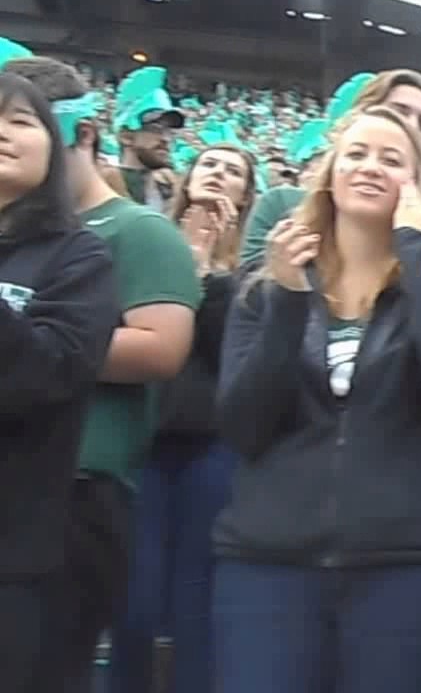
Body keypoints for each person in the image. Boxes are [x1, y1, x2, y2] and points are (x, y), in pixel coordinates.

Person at [213, 106, 421, 693]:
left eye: (393, 160)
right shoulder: (266, 291)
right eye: (357, 153)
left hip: (404, 568)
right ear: (331, 171)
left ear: (416, 186)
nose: (370, 167)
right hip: (267, 566)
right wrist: (288, 304)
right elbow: (243, 426)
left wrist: (418, 249)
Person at [5, 54, 203, 693]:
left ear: (74, 134)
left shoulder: (130, 232)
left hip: (74, 489)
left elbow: (160, 348)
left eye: (20, 119)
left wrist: (54, 332)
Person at [109, 142, 258, 693]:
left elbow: (231, 351)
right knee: (134, 601)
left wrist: (202, 271)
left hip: (212, 451)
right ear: (189, 177)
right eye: (211, 165)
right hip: (140, 444)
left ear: (246, 196)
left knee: (199, 602)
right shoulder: (143, 246)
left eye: (234, 171)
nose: (220, 175)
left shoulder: (256, 272)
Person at [0, 69, 118, 693]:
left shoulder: (78, 258)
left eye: (21, 120)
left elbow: (50, 372)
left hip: (17, 550)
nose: (2, 132)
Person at [238, 69, 421, 278]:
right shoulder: (281, 205)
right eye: (399, 111)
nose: (412, 126)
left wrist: (418, 249)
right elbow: (246, 308)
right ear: (357, 117)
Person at [106, 66, 185, 213]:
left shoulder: (171, 192)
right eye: (156, 129)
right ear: (126, 136)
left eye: (169, 131)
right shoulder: (102, 190)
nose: (166, 139)